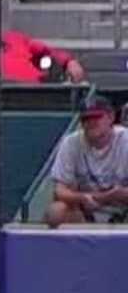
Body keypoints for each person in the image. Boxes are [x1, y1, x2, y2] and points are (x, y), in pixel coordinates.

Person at [44, 93, 128, 226]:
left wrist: (118, 195)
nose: (91, 122)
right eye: (86, 119)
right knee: (56, 211)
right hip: (85, 211)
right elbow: (59, 190)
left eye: (97, 117)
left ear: (111, 117)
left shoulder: (125, 140)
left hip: (123, 210)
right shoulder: (71, 142)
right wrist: (83, 198)